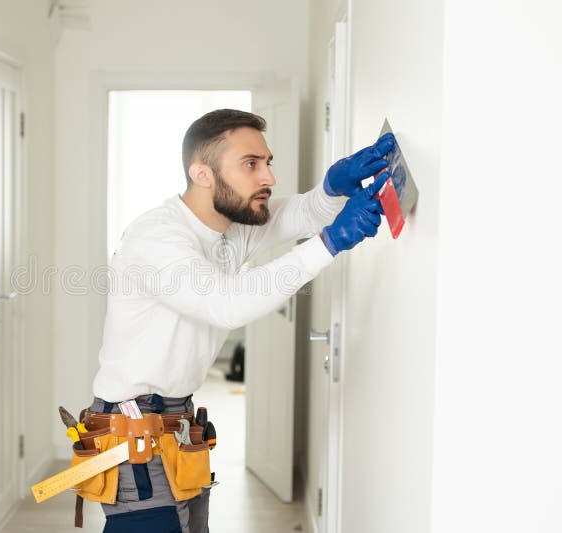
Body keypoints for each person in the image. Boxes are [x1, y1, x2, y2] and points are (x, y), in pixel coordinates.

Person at [85, 109, 393, 532]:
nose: (268, 177)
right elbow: (226, 303)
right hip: (134, 428)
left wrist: (330, 188)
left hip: (177, 423)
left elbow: (299, 213)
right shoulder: (156, 237)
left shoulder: (230, 228)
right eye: (251, 164)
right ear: (203, 174)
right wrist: (329, 243)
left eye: (267, 163)